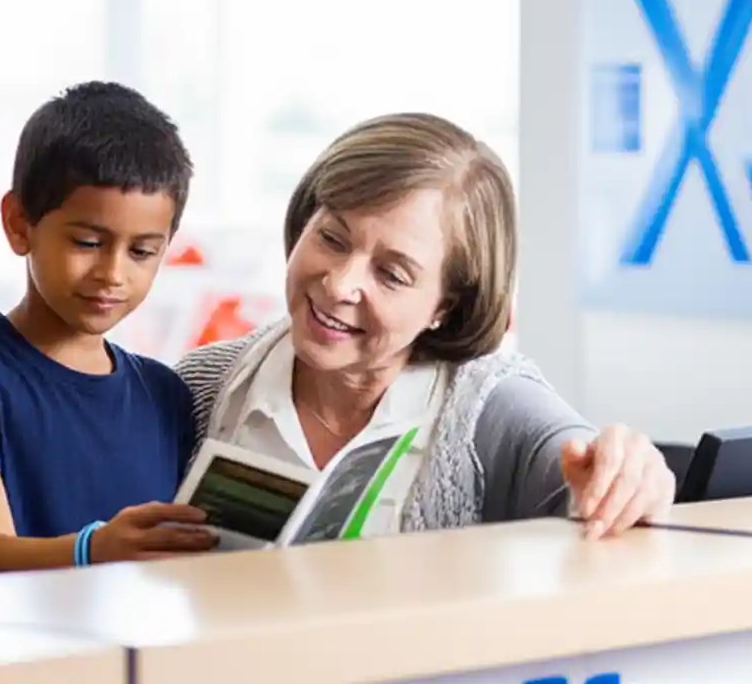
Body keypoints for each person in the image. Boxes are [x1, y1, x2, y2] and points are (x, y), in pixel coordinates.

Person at [176, 113, 675, 541]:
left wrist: (634, 474)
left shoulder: (489, 408)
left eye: (391, 274)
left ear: (446, 306)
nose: (340, 284)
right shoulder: (202, 386)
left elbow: (587, 462)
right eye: (331, 238)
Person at [0, 82, 216, 576]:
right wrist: (94, 549)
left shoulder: (166, 395)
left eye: (141, 251)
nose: (112, 274)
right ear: (18, 223)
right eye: (89, 242)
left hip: (131, 653)